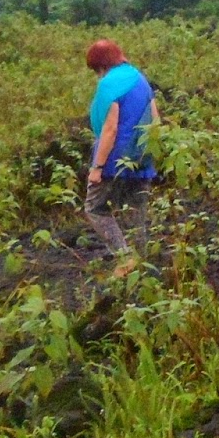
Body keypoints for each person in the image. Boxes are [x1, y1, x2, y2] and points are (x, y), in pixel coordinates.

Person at [84, 39, 159, 271]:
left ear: (100, 66)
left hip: (114, 158)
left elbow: (110, 128)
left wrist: (97, 168)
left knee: (94, 208)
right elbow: (156, 119)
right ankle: (142, 261)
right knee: (138, 209)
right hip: (142, 154)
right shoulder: (140, 79)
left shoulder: (109, 85)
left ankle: (125, 257)